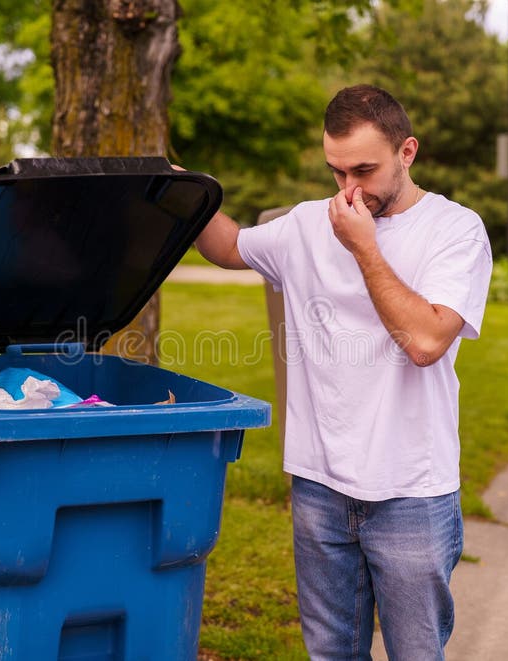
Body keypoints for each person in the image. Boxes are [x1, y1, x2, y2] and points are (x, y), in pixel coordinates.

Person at [193, 84, 492, 660]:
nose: (350, 190)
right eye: (336, 172)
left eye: (364, 169)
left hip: (411, 491)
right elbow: (230, 246)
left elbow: (427, 340)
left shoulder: (455, 230)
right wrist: (184, 189)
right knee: (331, 653)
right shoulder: (306, 224)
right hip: (319, 485)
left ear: (408, 152)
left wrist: (365, 249)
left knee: (415, 653)